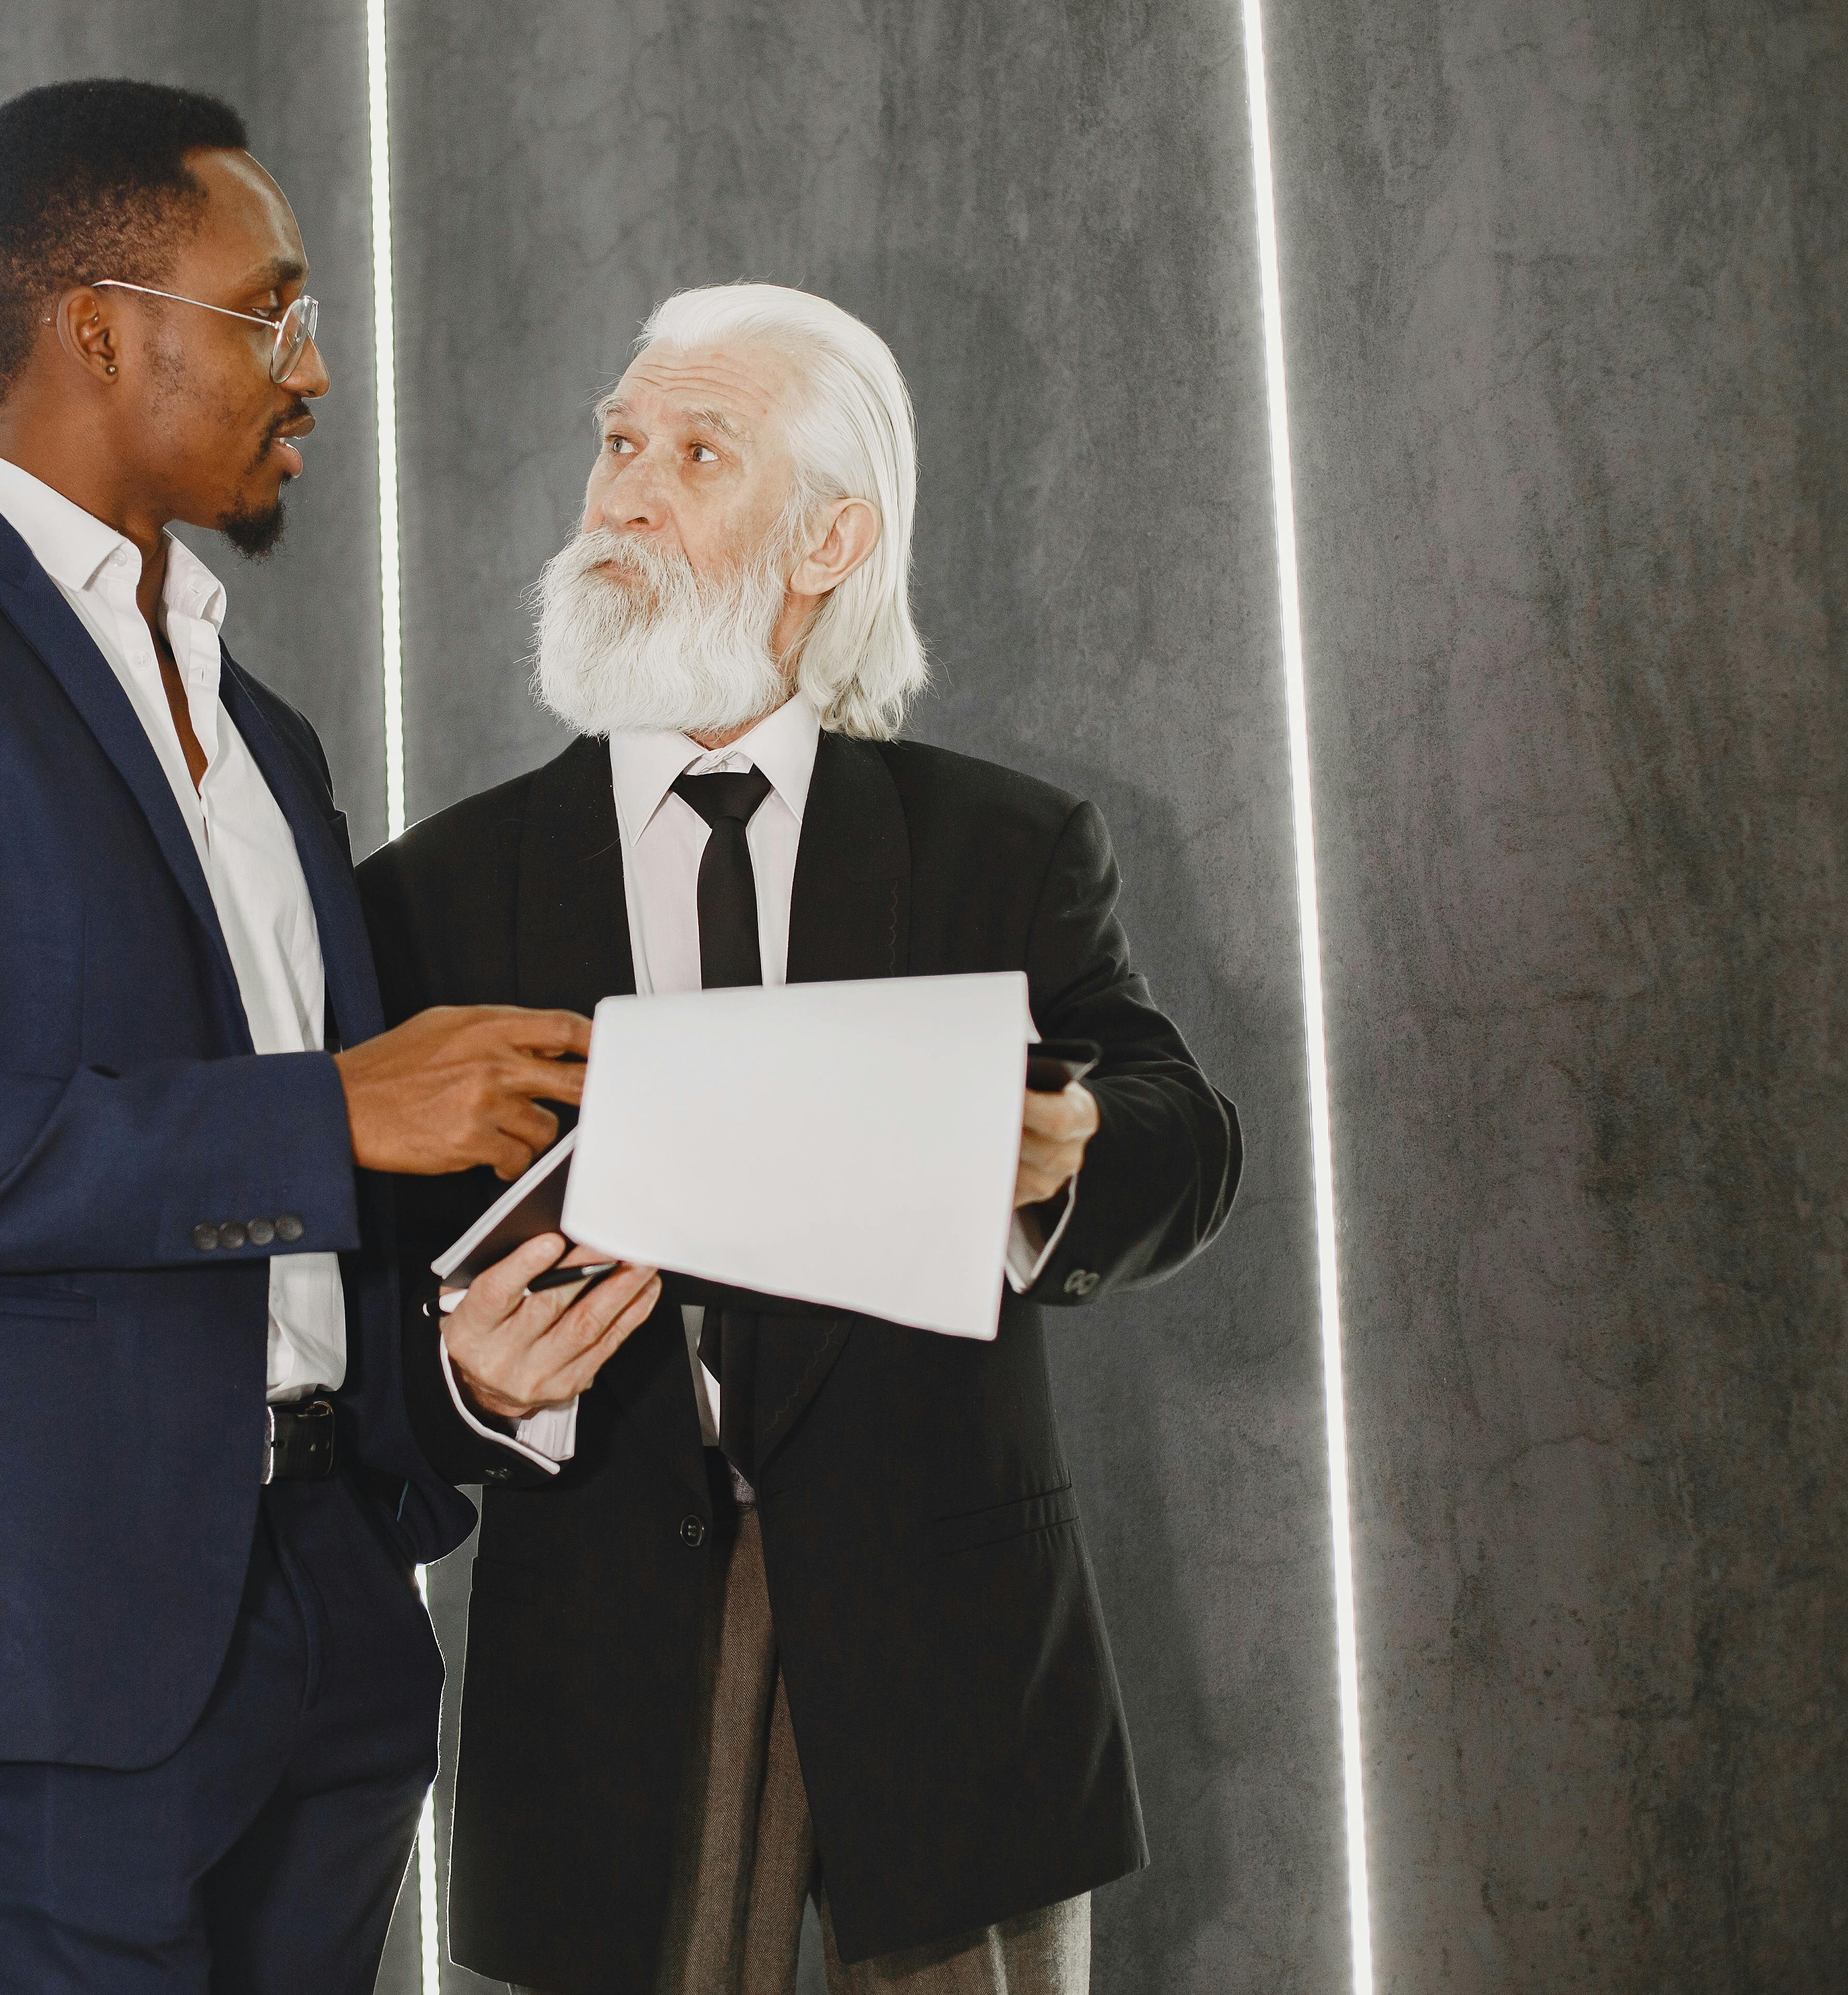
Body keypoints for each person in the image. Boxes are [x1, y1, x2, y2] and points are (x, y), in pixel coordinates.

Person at [0, 79, 655, 1993]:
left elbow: (313, 1210)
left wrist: (453, 1377)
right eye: (270, 310)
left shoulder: (269, 734)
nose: (313, 367)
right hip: (38, 1652)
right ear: (101, 326)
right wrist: (326, 1117)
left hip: (339, 1625)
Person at [356, 284, 1244, 1994]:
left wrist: (1061, 1155)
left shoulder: (1005, 844)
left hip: (954, 1661)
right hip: (600, 1667)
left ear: (832, 538)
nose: (624, 491)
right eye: (618, 442)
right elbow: (361, 1302)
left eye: (697, 452)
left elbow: (1185, 1138)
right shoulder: (430, 896)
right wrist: (466, 1369)